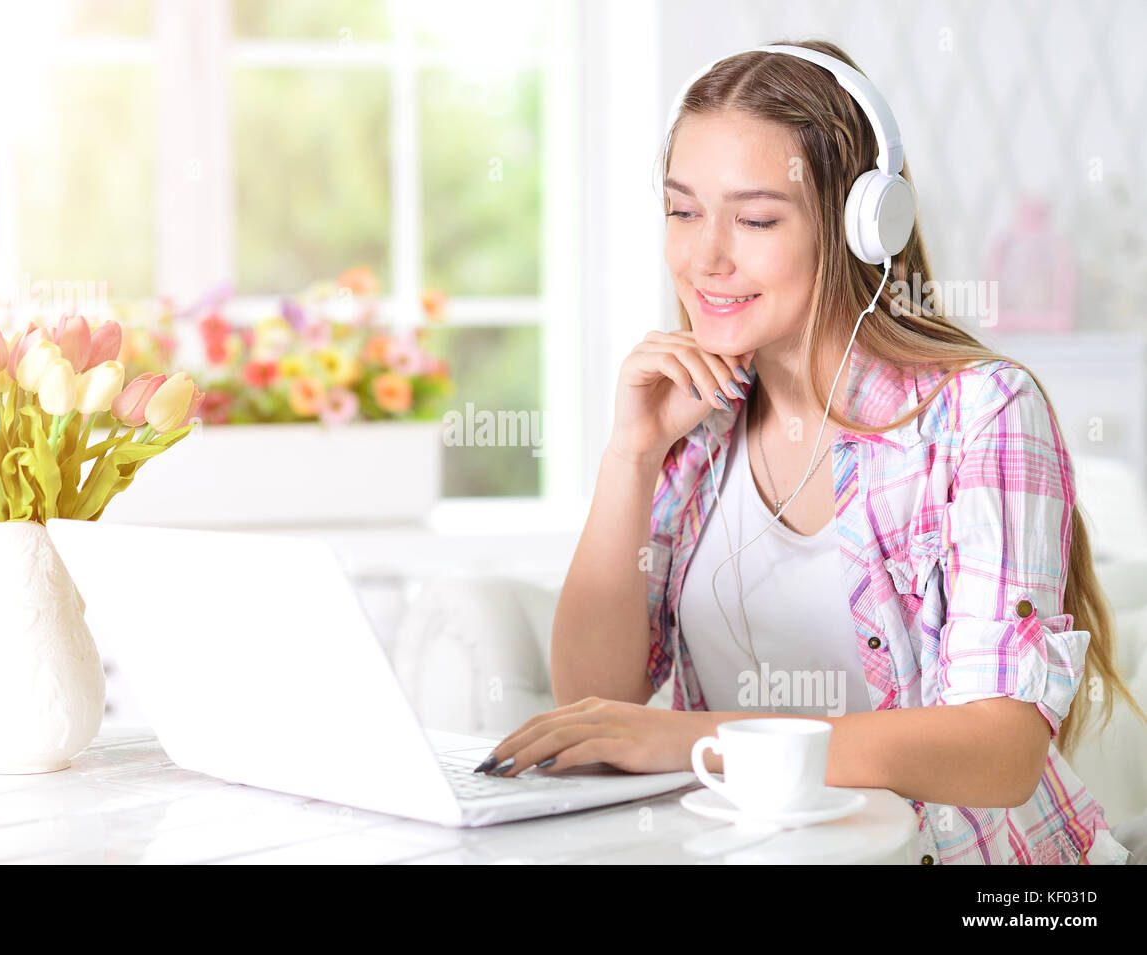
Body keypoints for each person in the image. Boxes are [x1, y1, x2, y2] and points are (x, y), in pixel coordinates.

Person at [473, 39, 1145, 864]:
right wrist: (632, 453)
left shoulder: (982, 413)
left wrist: (693, 739)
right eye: (683, 212)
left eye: (756, 219)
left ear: (863, 227)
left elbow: (1001, 750)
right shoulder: (698, 420)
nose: (705, 256)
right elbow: (596, 701)